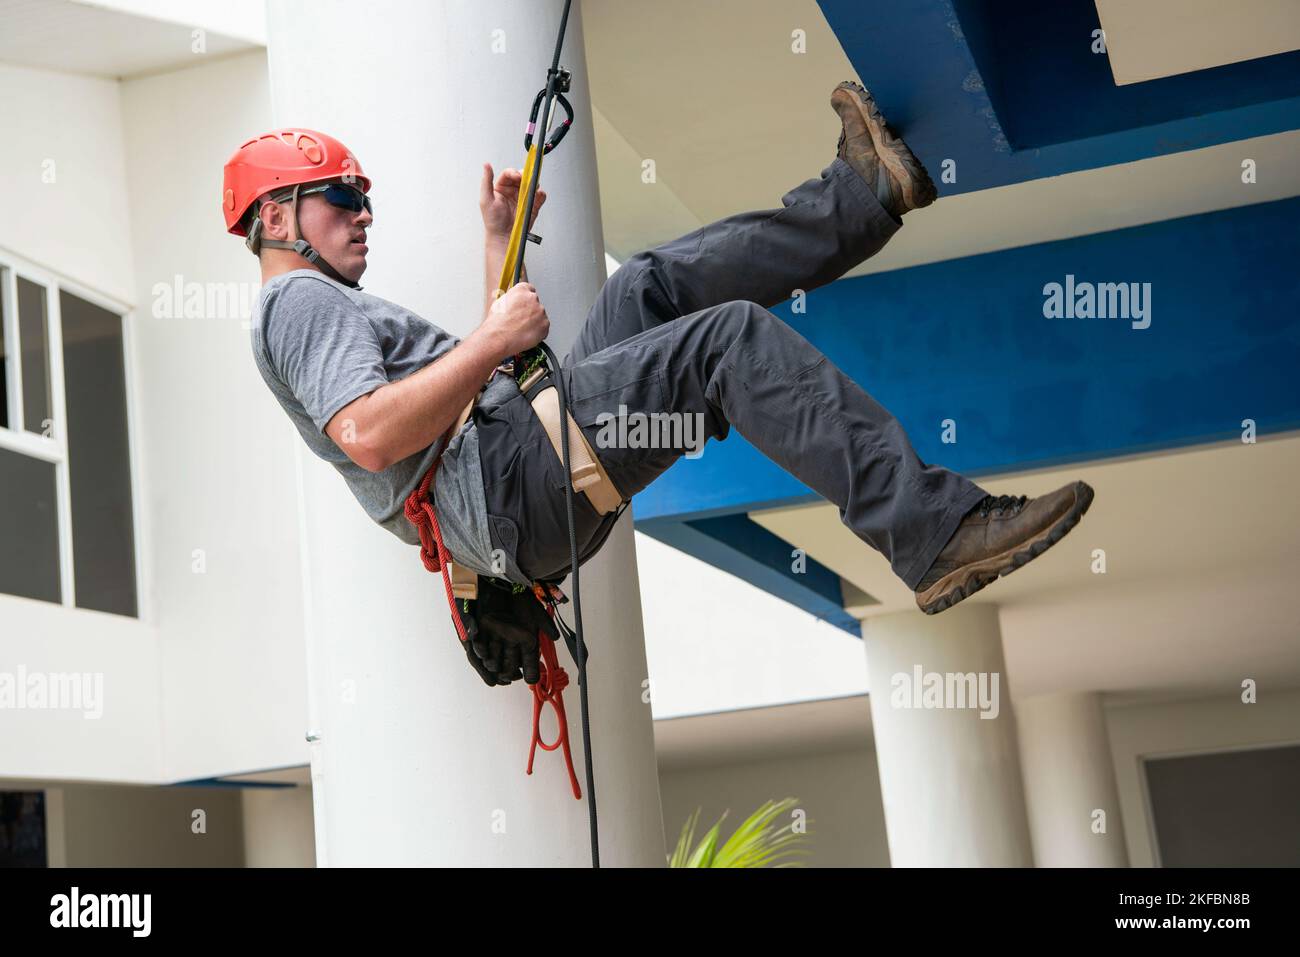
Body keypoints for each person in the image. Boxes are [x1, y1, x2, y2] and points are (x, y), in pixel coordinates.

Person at [224, 82, 1092, 679]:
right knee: (725, 344)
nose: (363, 211)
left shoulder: (320, 303)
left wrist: (501, 243)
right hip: (517, 487)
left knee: (645, 287)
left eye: (363, 195)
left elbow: (455, 393)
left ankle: (865, 195)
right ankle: (935, 535)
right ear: (275, 217)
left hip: (522, 463)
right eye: (340, 195)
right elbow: (371, 433)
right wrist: (491, 341)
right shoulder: (295, 301)